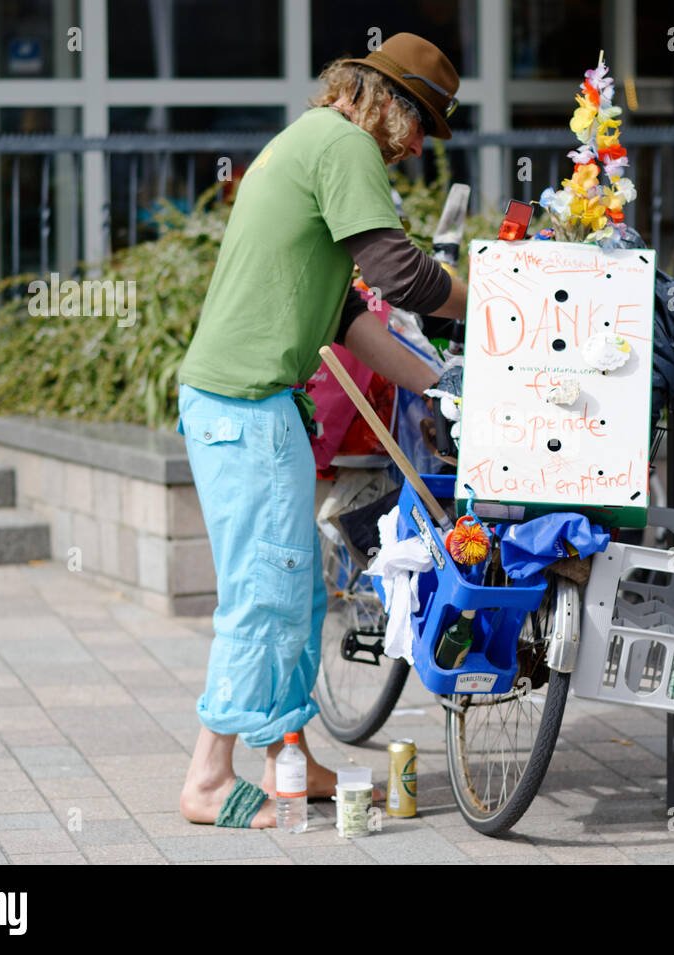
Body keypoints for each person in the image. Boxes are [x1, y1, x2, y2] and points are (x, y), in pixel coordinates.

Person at [175, 33, 467, 828]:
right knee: (263, 594)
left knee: (296, 589)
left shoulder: (303, 140)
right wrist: (492, 301)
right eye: (420, 128)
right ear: (391, 105)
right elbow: (402, 273)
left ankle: (288, 761)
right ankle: (207, 779)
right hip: (248, 405)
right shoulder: (345, 146)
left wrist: (443, 383)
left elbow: (344, 316)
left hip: (241, 405)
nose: (414, 151)